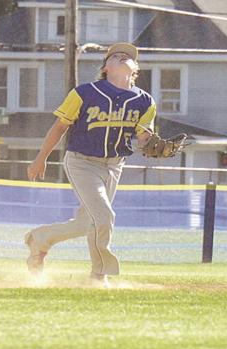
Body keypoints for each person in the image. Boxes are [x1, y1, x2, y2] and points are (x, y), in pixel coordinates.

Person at [24, 43, 158, 285]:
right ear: (105, 67)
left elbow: (144, 136)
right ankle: (99, 275)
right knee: (104, 217)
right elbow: (60, 127)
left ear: (136, 68)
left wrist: (154, 145)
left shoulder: (145, 101)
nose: (122, 56)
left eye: (128, 56)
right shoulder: (85, 93)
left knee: (88, 223)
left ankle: (41, 238)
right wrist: (40, 158)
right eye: (115, 55)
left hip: (115, 165)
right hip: (81, 162)